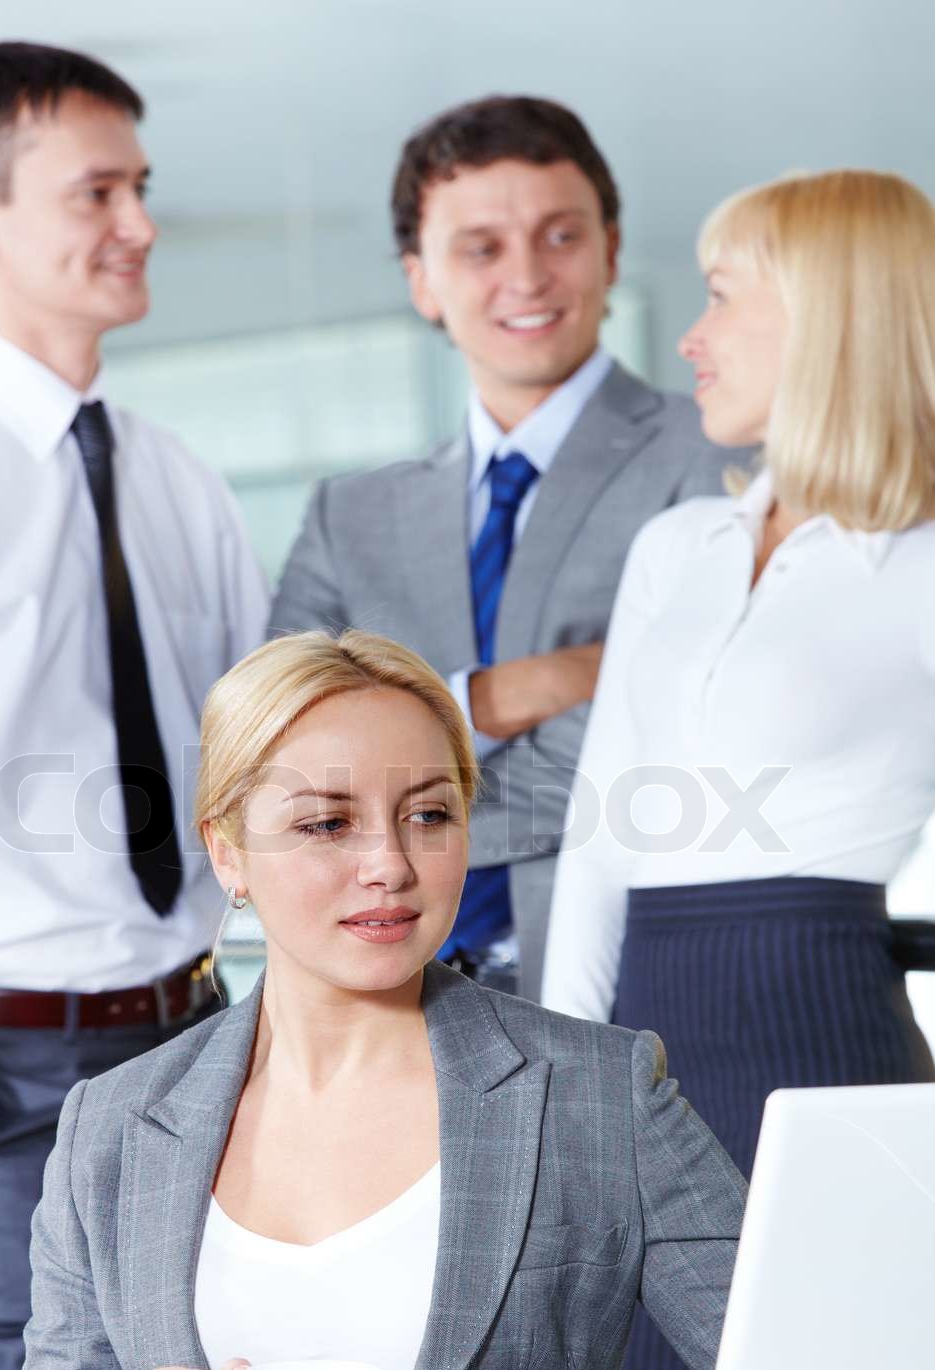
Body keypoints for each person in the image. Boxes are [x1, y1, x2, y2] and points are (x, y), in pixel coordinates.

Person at [5, 628, 746, 1370]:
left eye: (429, 816)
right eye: (326, 824)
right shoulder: (111, 1127)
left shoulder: (597, 1094)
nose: (390, 865)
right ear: (228, 851)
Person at [0, 41, 268, 1370]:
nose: (141, 223)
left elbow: (253, 749)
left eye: (140, 187)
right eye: (96, 192)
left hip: (195, 1050)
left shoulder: (173, 476)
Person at [542, 169, 935, 1370]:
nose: (688, 340)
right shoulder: (677, 548)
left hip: (823, 1043)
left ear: (826, 316)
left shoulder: (922, 563)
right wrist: (557, 1081)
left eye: (719, 298)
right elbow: (601, 835)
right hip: (647, 1038)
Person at [270, 95, 748, 1001]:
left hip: (649, 989)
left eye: (560, 237)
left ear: (610, 250)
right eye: (481, 248)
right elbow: (276, 747)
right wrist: (512, 692)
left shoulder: (722, 455)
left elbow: (685, 735)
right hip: (393, 1005)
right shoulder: (350, 514)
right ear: (421, 280)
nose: (527, 277)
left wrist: (384, 807)